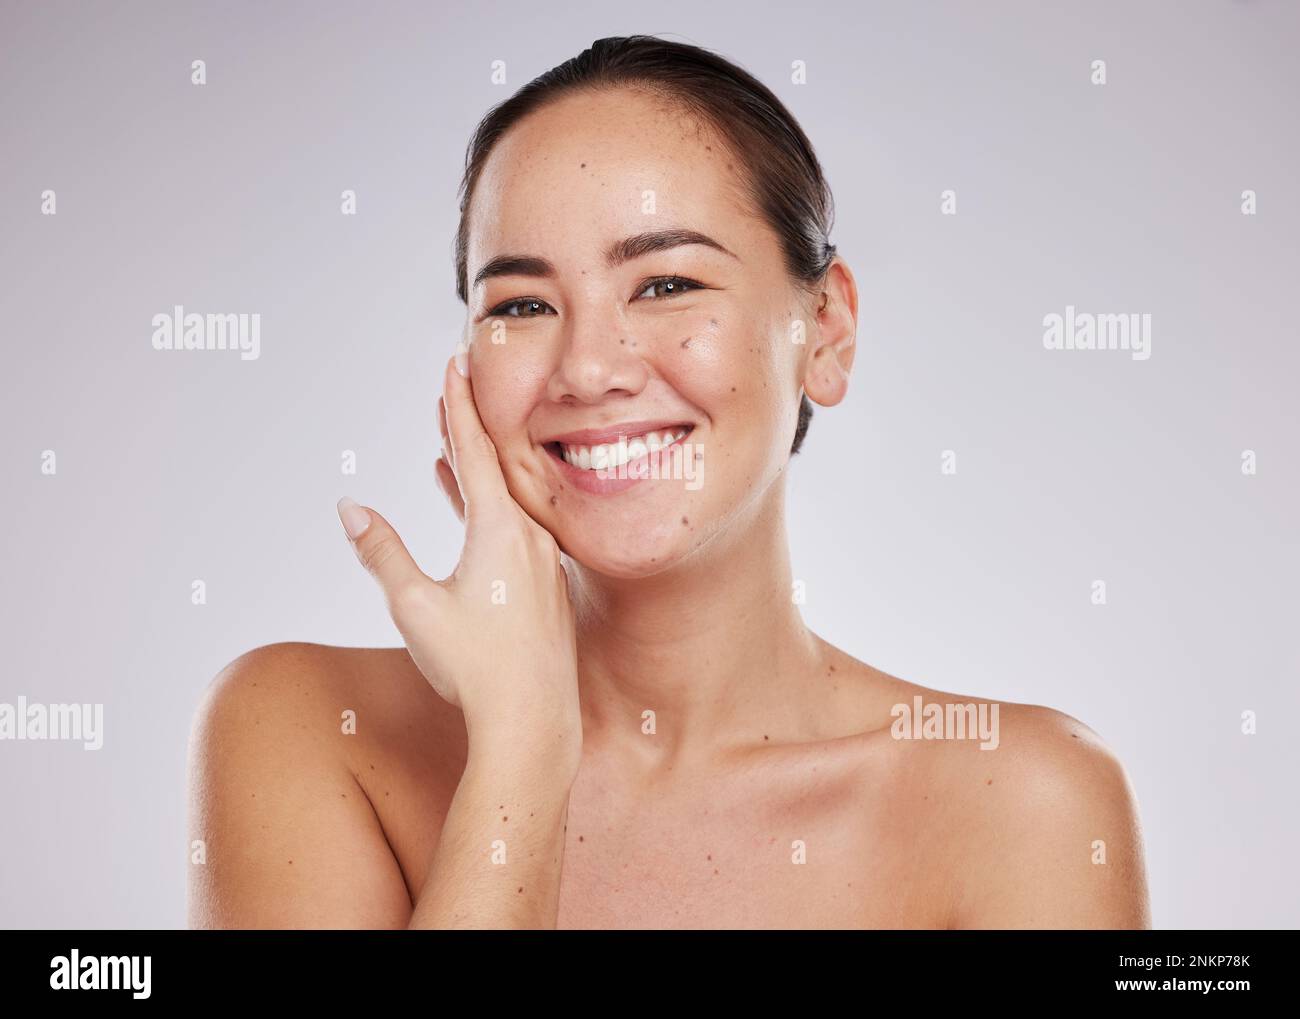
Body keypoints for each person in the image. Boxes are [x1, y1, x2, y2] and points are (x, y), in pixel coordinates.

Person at [187, 35, 1150, 929]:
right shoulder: (307, 726)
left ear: (827, 330)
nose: (588, 369)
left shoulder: (1027, 802)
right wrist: (523, 747)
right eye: (522, 303)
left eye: (666, 285)